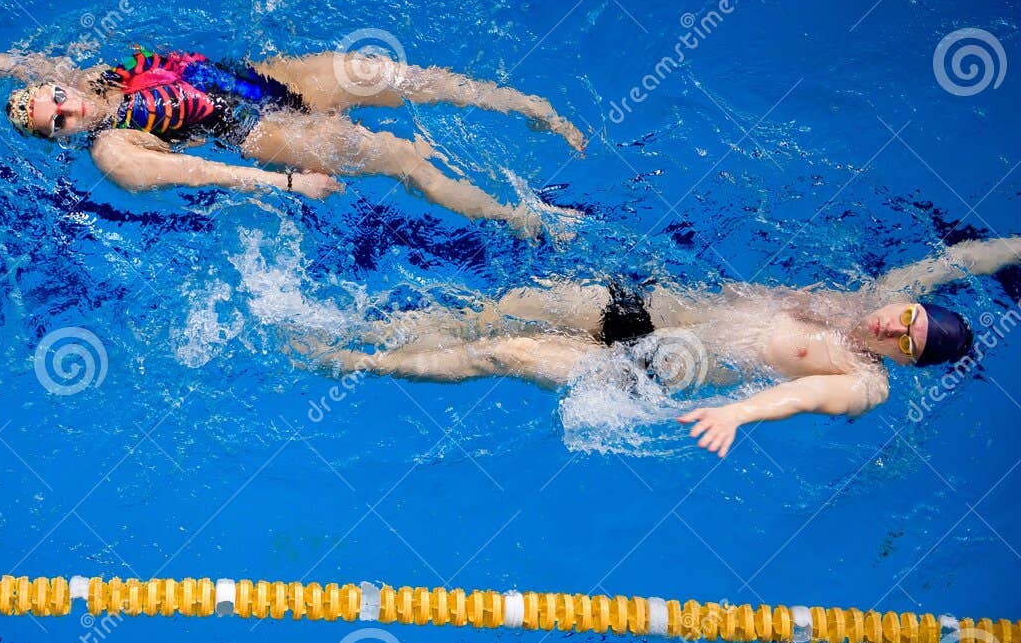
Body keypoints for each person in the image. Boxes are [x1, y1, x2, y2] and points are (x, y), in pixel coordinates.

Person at [312, 236, 1021, 457]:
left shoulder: (866, 381)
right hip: (652, 311)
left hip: (651, 366)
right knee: (503, 307)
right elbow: (961, 258)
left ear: (904, 363)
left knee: (504, 354)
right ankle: (359, 325)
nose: (894, 329)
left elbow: (807, 394)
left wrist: (738, 413)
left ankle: (355, 362)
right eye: (907, 318)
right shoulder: (876, 297)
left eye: (907, 343)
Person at [0, 45, 586, 240]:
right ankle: (519, 220)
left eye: (57, 99)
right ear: (60, 139)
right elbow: (198, 171)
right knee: (399, 158)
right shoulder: (113, 151)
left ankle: (523, 106)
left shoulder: (78, 77)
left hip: (259, 78)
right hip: (258, 129)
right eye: (57, 123)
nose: (66, 108)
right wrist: (291, 183)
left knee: (385, 73)